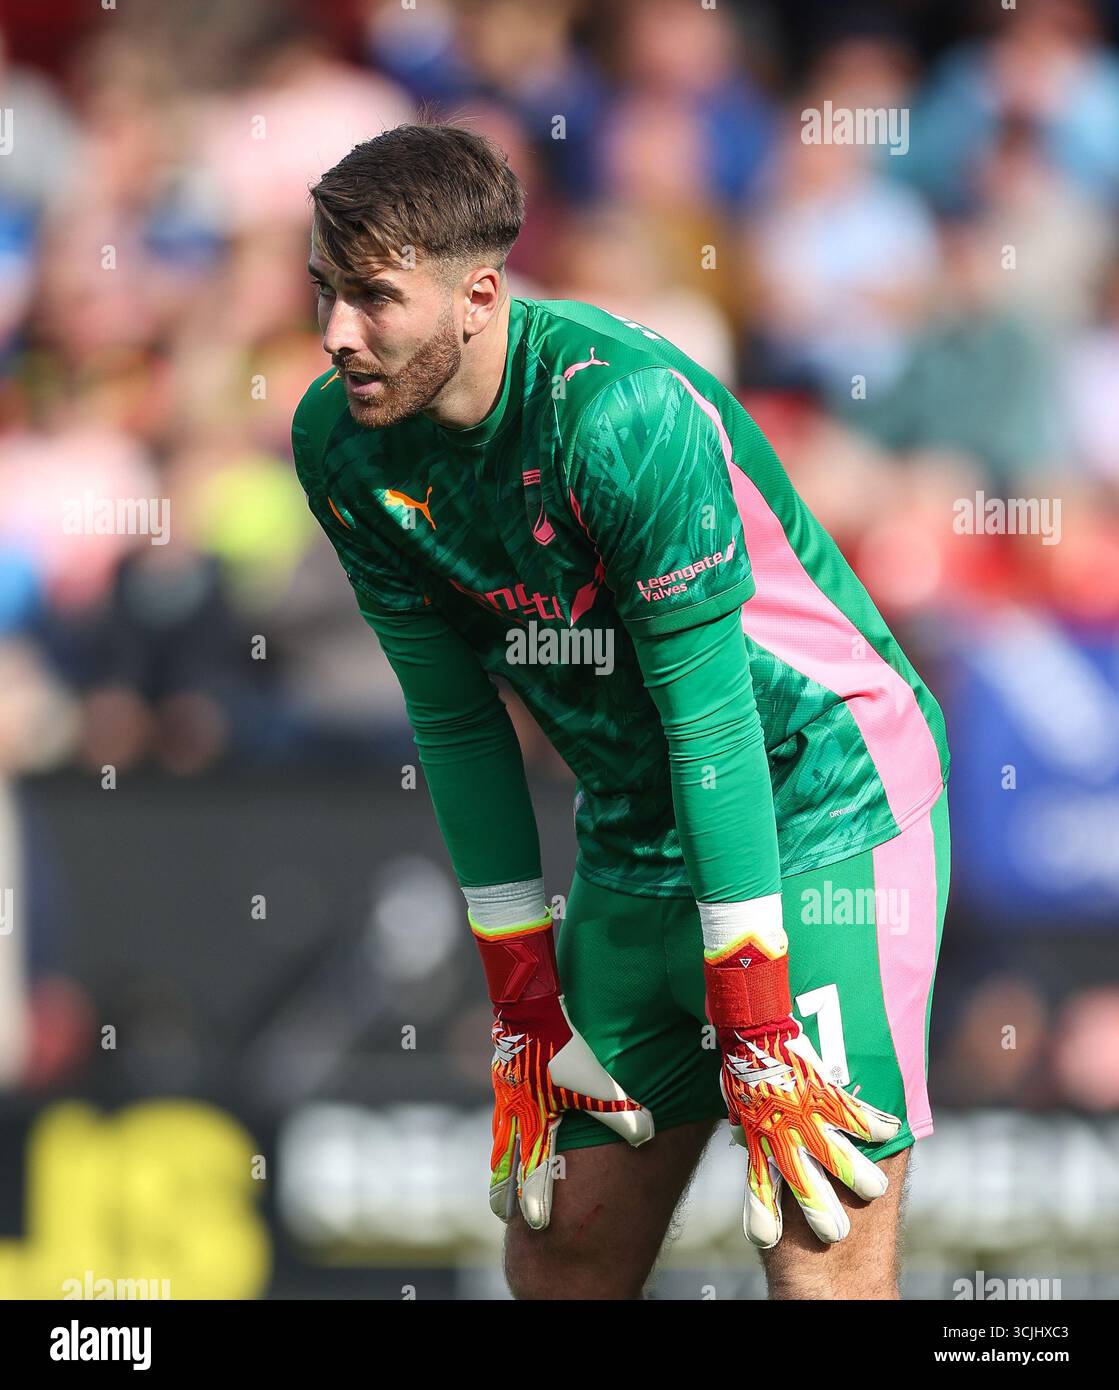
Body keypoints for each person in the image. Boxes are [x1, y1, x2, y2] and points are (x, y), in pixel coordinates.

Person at [291, 121, 951, 1300]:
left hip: (817, 797)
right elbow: (455, 724)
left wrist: (753, 1020)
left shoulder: (621, 416)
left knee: (817, 1238)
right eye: (324, 292)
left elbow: (711, 723)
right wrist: (521, 1003)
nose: (337, 334)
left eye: (373, 298)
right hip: (637, 833)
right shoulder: (341, 447)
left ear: (480, 295)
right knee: (562, 1248)